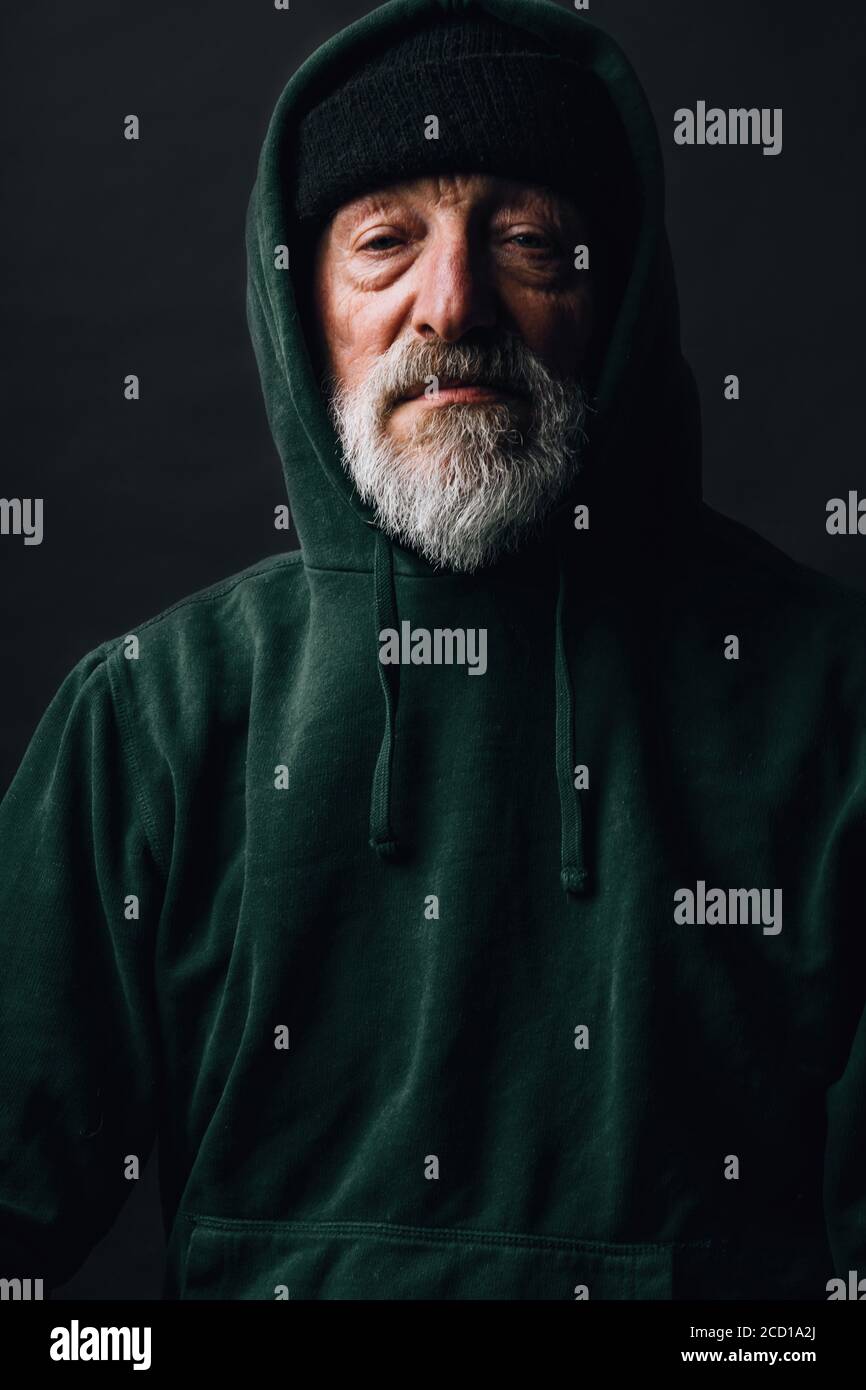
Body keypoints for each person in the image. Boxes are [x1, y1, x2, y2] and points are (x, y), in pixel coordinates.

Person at [1, 0, 864, 1302]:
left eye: (522, 239)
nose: (449, 304)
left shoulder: (834, 701)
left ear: (615, 293)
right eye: (384, 242)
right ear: (303, 307)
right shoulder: (149, 720)